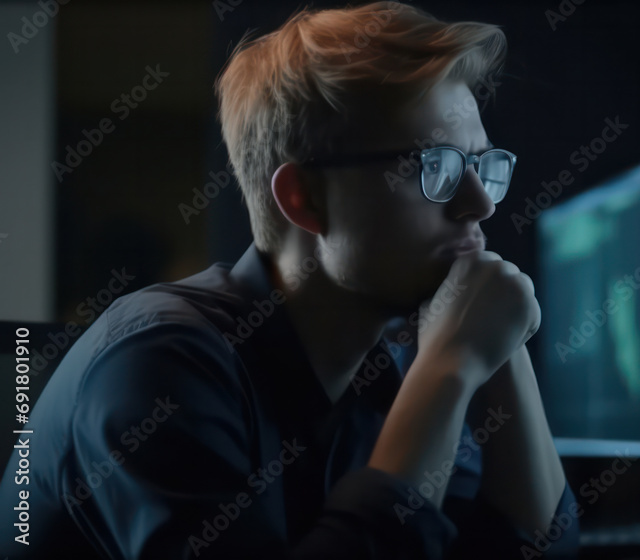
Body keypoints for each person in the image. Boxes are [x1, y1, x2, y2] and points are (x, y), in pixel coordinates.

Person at [0, 2, 579, 558]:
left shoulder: (392, 370)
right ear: (303, 198)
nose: (480, 204)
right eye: (436, 167)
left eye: (482, 165)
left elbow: (525, 547)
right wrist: (452, 368)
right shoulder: (158, 362)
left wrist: (501, 349)